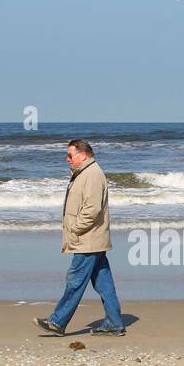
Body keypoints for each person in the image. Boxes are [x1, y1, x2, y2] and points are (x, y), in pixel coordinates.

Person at [33, 139, 125, 336]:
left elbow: (92, 210)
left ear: (83, 155)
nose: (67, 159)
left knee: (75, 281)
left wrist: (75, 229)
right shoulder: (85, 173)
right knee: (104, 283)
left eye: (70, 155)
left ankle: (57, 322)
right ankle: (115, 323)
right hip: (92, 239)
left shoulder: (91, 174)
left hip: (88, 239)